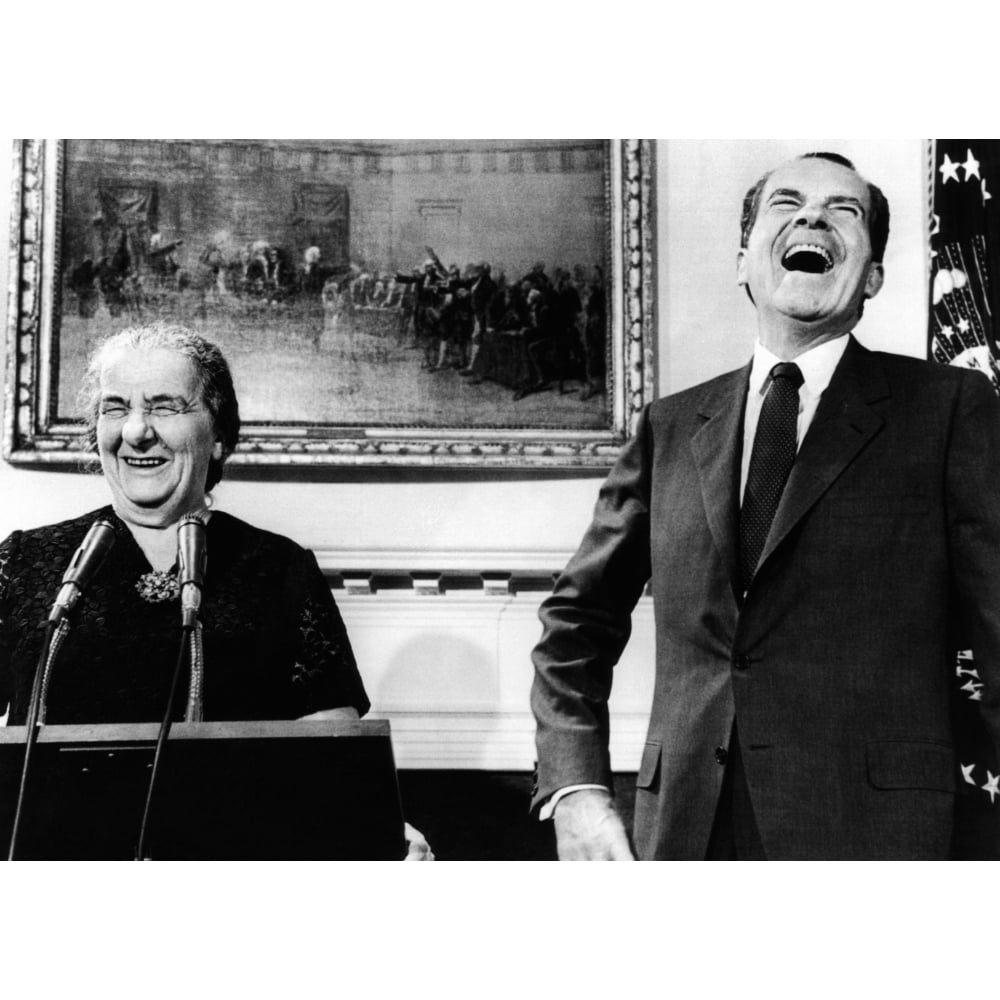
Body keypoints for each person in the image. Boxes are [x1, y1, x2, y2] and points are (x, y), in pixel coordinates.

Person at [529, 152, 1000, 860]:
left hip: (875, 841)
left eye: (843, 210)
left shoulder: (949, 410)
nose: (812, 215)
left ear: (871, 276)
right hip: (686, 833)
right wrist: (575, 789)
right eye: (787, 203)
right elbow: (576, 622)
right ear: (743, 261)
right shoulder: (672, 427)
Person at [0, 322, 432, 860]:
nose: (136, 430)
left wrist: (376, 834)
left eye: (165, 406)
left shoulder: (277, 568)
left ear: (219, 432)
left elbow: (330, 759)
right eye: (115, 408)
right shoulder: (24, 561)